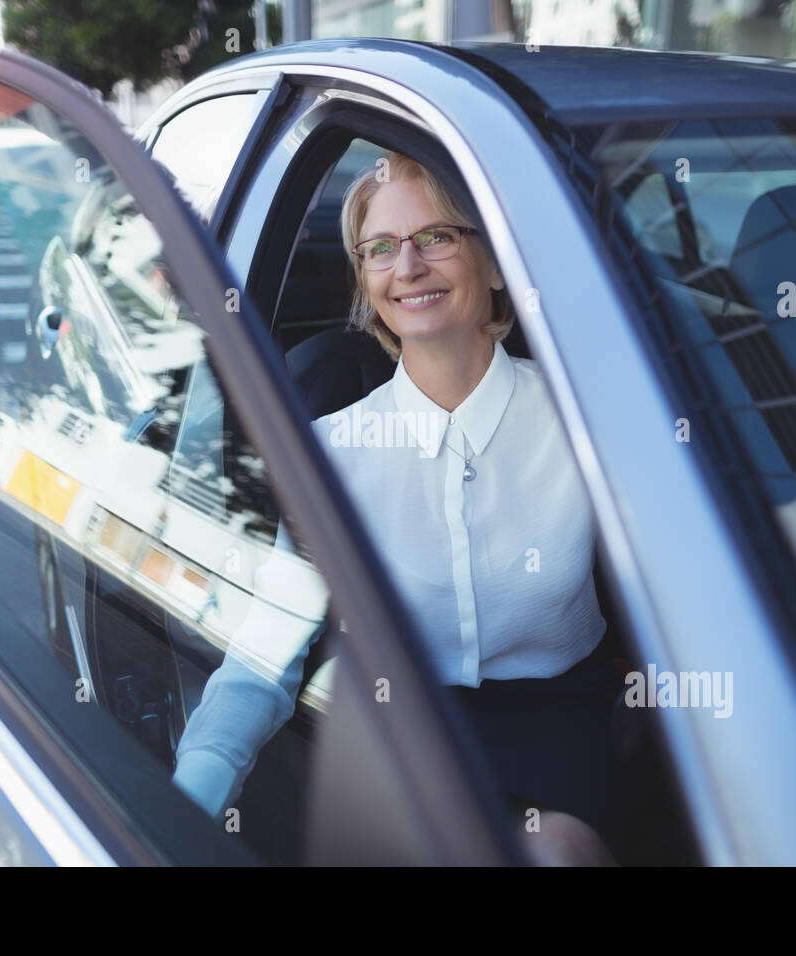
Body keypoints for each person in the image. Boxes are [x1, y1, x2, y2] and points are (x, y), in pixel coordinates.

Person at [172, 150, 617, 865]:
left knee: (555, 854)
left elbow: (694, 565)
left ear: (497, 263)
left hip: (556, 727)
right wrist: (187, 800)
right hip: (393, 732)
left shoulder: (588, 418)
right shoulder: (331, 453)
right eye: (381, 248)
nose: (406, 266)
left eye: (436, 237)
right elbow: (266, 654)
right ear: (366, 278)